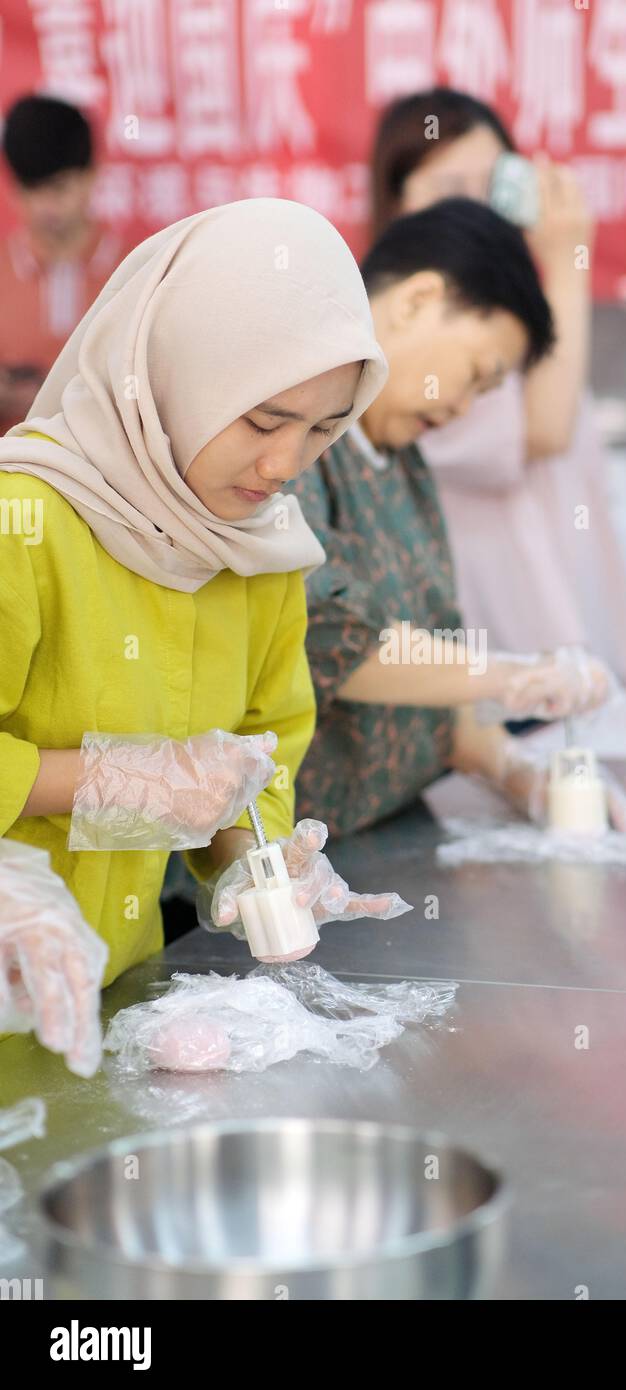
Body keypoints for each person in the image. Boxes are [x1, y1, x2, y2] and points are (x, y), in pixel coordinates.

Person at [0, 198, 405, 1075]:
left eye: (324, 430)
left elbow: (262, 749)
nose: (284, 464)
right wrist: (102, 778)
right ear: (170, 374)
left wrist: (257, 862)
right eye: (263, 421)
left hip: (112, 990)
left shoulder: (257, 554)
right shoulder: (22, 524)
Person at [286, 198, 614, 840]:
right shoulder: (292, 436)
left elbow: (437, 678)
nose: (463, 406)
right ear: (415, 301)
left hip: (385, 835)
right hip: (287, 861)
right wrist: (514, 675)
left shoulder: (407, 464)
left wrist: (519, 774)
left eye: (486, 395)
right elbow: (324, 635)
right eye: (476, 375)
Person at [369, 88, 626, 680]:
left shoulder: (513, 327)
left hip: (580, 632)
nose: (483, 210)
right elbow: (542, 432)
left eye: (496, 185)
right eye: (450, 190)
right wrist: (570, 261)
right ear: (396, 204)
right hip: (494, 660)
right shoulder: (411, 351)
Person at [0, 94, 132, 433]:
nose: (45, 206)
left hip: (108, 476)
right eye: (30, 189)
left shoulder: (137, 269)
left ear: (91, 175)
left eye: (59, 188)